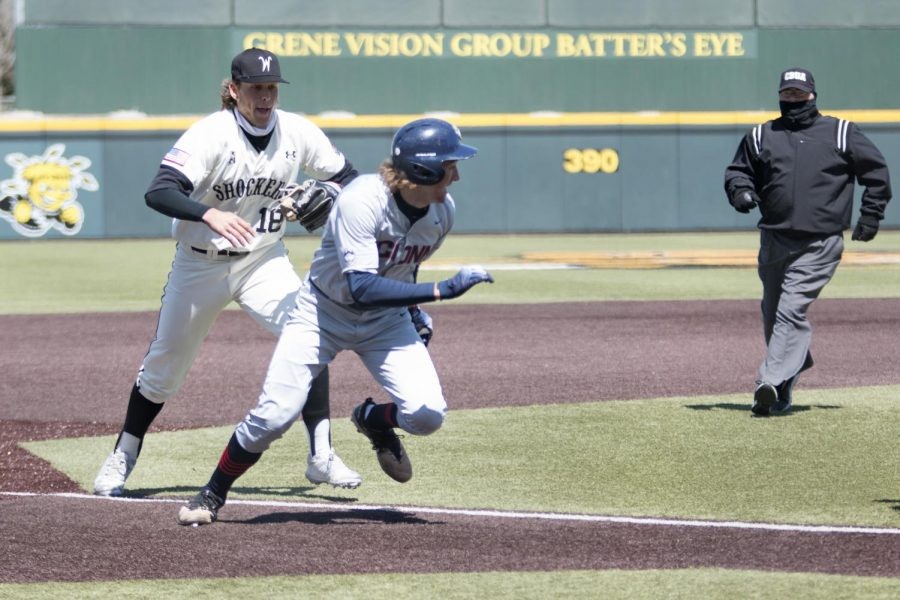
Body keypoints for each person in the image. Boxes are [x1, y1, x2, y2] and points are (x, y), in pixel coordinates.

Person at [176, 117, 494, 525]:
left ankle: (373, 420)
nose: (457, 174)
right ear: (423, 170)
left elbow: (402, 268)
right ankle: (212, 493)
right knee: (274, 415)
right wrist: (439, 292)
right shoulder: (362, 200)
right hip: (321, 313)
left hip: (386, 322)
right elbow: (361, 286)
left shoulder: (441, 212)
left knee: (428, 415)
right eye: (450, 165)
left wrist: (413, 310)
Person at [93, 48, 362, 497]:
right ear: (234, 90)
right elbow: (159, 191)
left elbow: (350, 178)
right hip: (201, 263)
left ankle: (321, 454)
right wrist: (208, 214)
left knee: (311, 334)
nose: (265, 97)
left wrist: (327, 190)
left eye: (271, 87)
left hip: (263, 260)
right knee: (164, 369)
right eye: (255, 88)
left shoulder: (296, 131)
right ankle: (124, 453)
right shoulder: (211, 135)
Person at [724, 67, 892, 416]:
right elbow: (739, 171)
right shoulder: (761, 135)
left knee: (789, 311)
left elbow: (876, 173)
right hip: (774, 238)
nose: (793, 100)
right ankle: (788, 374)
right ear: (780, 96)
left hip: (820, 242)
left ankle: (767, 382)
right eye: (788, 94)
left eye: (800, 94)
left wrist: (871, 215)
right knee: (772, 315)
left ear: (813, 95)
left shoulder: (841, 132)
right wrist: (740, 191)